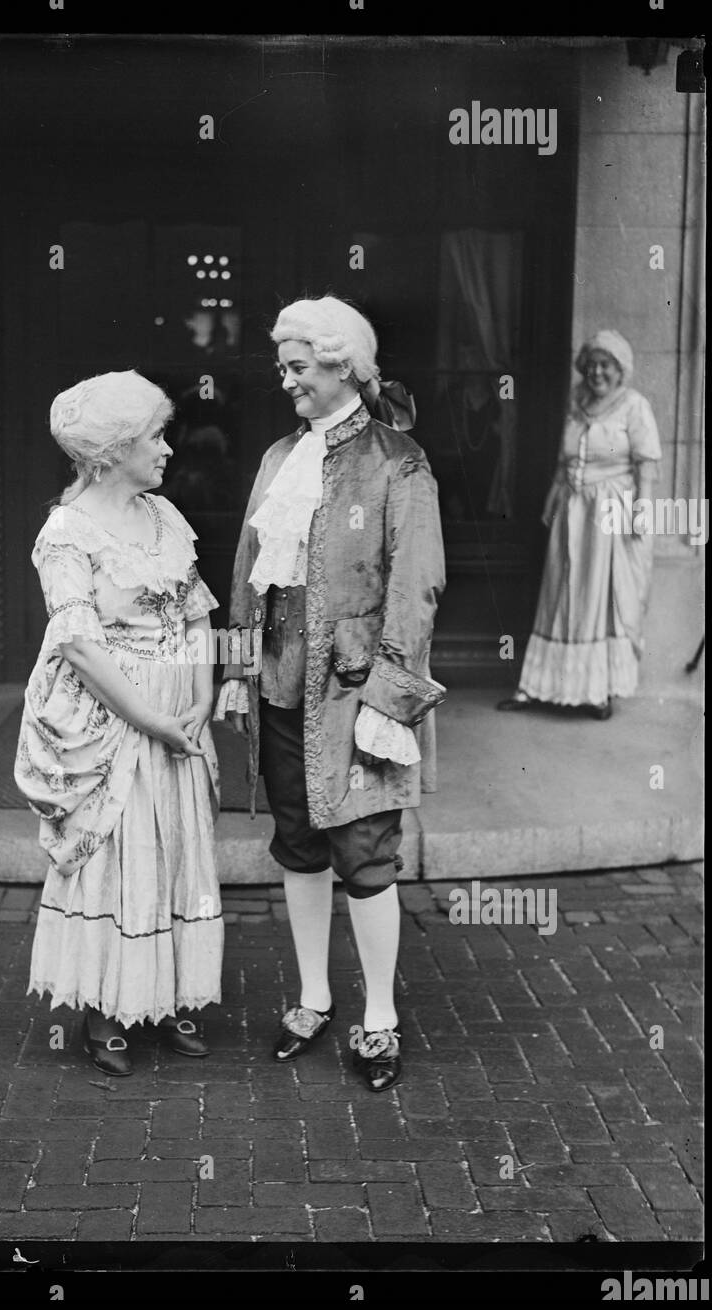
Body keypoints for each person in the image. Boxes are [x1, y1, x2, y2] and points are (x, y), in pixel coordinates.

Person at [214, 296, 446, 1094]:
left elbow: (415, 589)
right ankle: (313, 996)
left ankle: (377, 1015)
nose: (285, 381)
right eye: (281, 367)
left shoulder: (396, 461)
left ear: (343, 365)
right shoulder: (280, 457)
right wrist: (238, 670)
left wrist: (388, 699)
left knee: (365, 853)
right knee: (298, 843)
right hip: (280, 685)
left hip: (354, 695)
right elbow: (248, 568)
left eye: (298, 367)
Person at [14, 370, 224, 1077]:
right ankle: (106, 1003)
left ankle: (167, 994)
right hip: (115, 717)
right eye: (154, 436)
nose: (168, 449)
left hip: (175, 711)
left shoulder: (165, 517)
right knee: (115, 851)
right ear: (110, 451)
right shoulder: (66, 533)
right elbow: (77, 642)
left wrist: (198, 696)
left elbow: (196, 611)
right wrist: (150, 719)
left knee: (173, 849)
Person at [498, 329, 662, 719]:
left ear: (620, 369)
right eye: (591, 365)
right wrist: (553, 499)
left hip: (610, 514)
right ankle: (539, 685)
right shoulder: (577, 401)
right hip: (572, 509)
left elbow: (647, 466)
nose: (597, 373)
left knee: (598, 597)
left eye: (606, 365)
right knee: (561, 593)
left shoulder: (634, 406)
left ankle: (598, 690)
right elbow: (564, 460)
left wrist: (642, 510)